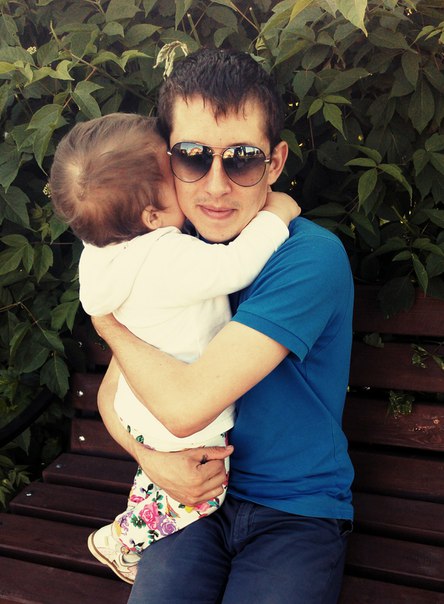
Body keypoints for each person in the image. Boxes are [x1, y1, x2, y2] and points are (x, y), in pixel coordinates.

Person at [93, 49, 355, 604]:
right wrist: (152, 461)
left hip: (293, 510)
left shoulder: (308, 258)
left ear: (275, 163)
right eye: (192, 157)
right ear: (165, 161)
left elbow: (185, 407)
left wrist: (106, 322)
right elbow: (111, 394)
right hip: (187, 501)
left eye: (241, 159)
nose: (215, 186)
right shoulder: (166, 251)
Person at [49, 112, 299, 585]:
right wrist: (277, 213)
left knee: (160, 479)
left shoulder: (101, 255)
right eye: (174, 172)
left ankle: (142, 504)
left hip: (138, 407)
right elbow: (236, 266)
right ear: (152, 215)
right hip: (183, 421)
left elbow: (101, 315)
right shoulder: (166, 253)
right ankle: (123, 539)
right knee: (203, 494)